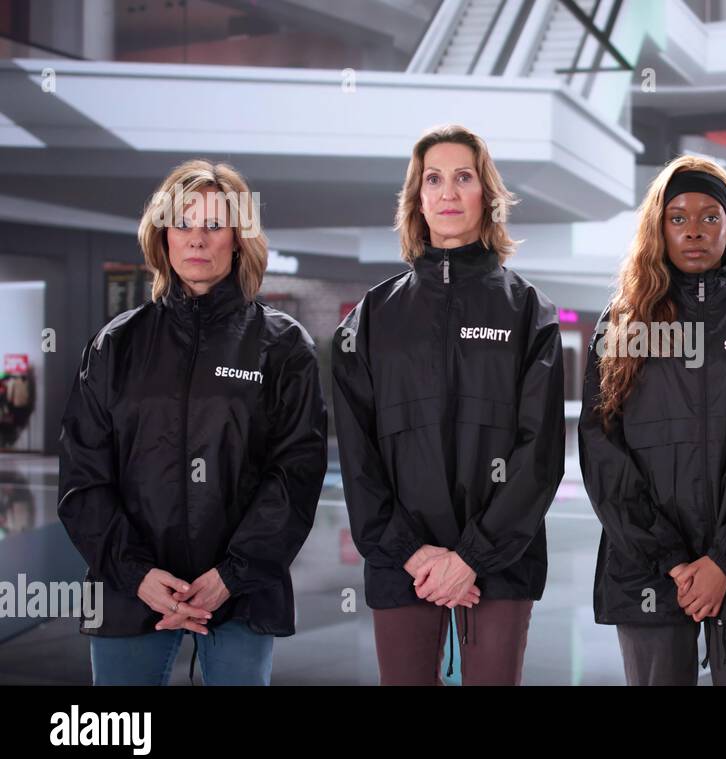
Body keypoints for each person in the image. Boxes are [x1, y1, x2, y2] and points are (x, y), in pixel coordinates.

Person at [58, 159, 327, 685]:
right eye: (183, 223)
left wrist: (231, 575)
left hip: (240, 592)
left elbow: (295, 474)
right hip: (129, 590)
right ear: (162, 236)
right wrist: (138, 575)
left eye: (213, 224)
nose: (196, 239)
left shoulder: (283, 346)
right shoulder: (116, 345)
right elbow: (83, 478)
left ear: (238, 237)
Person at [333, 124, 565, 686]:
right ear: (417, 198)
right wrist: (412, 553)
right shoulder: (373, 317)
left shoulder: (529, 312)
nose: (448, 192)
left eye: (463, 177)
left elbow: (540, 455)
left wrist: (471, 558)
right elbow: (358, 458)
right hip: (400, 563)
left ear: (486, 193)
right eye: (432, 179)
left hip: (500, 564)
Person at [579, 155, 726, 685]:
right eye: (678, 216)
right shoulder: (621, 325)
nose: (694, 230)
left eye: (710, 216)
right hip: (647, 571)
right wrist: (670, 559)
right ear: (658, 228)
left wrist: (724, 562)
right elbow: (603, 455)